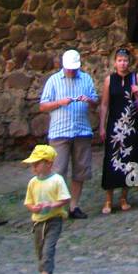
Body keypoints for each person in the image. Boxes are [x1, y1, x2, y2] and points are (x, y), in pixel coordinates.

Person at [38, 49, 99, 219]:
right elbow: (43, 106)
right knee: (58, 172)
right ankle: (58, 207)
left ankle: (74, 206)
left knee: (80, 171)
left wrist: (90, 100)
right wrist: (59, 102)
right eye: (69, 68)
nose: (71, 71)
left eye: (74, 68)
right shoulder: (54, 81)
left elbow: (96, 102)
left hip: (81, 131)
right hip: (60, 132)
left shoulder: (86, 78)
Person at [99, 47, 138, 214]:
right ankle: (108, 199)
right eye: (120, 60)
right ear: (115, 62)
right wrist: (101, 125)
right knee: (111, 160)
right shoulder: (109, 80)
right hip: (115, 126)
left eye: (125, 60)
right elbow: (105, 103)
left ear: (129, 62)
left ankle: (124, 197)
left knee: (131, 159)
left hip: (132, 126)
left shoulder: (136, 77)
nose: (123, 63)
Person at [23, 144, 70, 274]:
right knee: (40, 252)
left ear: (48, 164)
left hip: (54, 220)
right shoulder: (33, 183)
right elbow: (28, 202)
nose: (34, 167)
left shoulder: (57, 180)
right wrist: (33, 208)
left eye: (37, 163)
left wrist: (52, 204)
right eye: (33, 164)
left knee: (48, 251)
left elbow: (65, 198)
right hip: (38, 222)